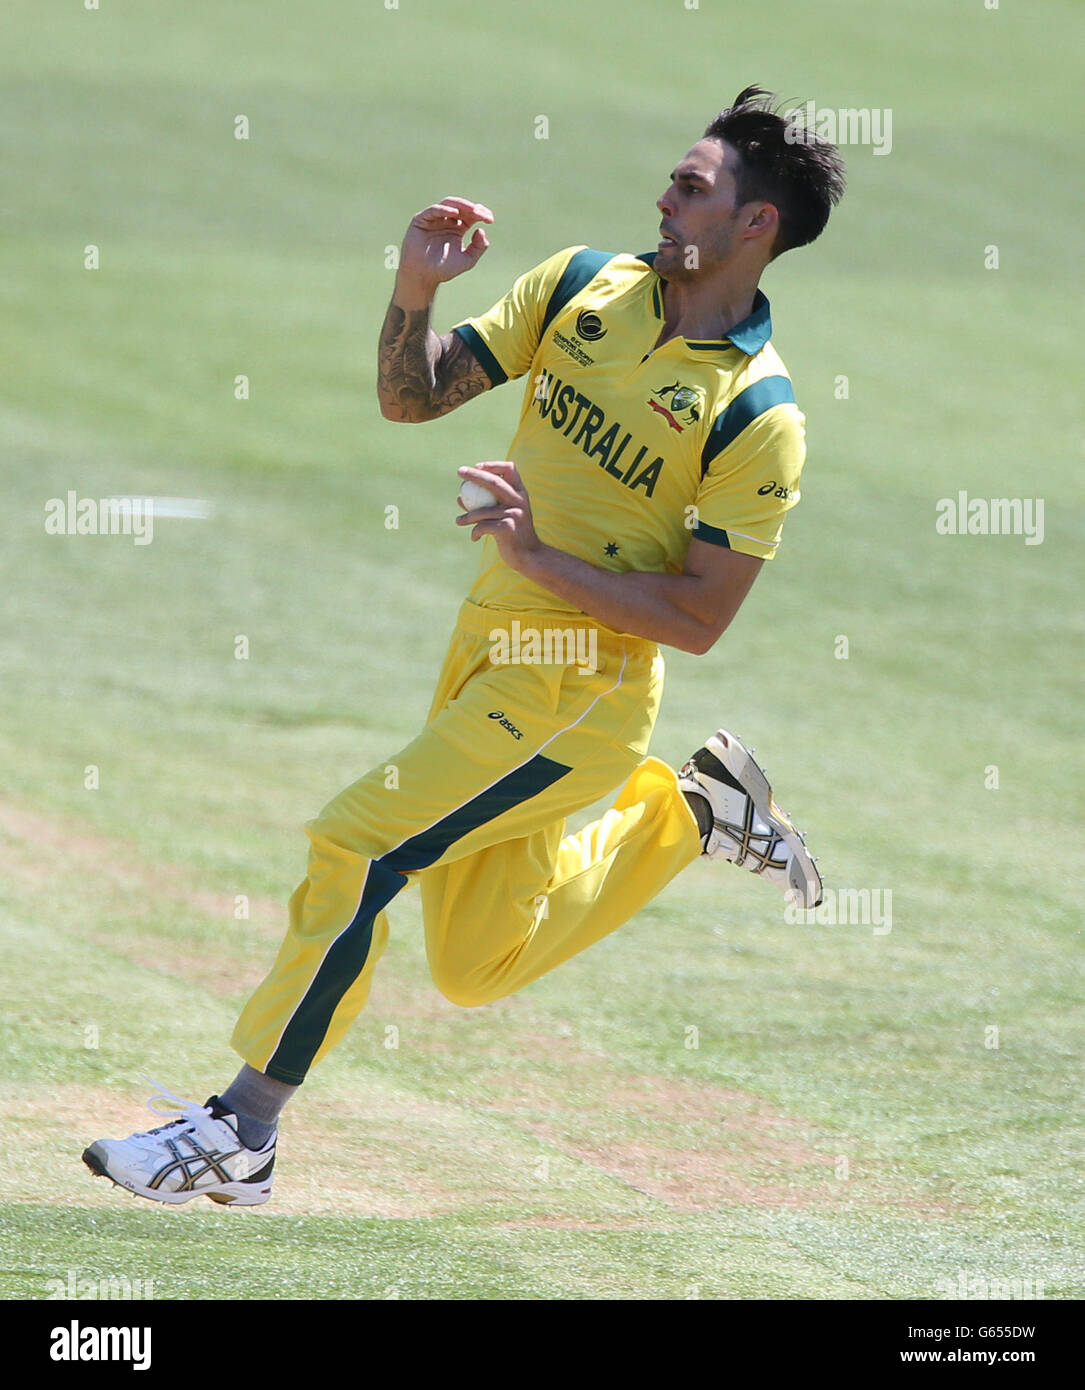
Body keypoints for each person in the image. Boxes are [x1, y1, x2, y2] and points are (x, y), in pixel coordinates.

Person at [83, 87, 845, 1207]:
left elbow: (698, 618)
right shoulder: (588, 283)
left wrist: (539, 559)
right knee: (475, 964)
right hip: (488, 641)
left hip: (582, 690)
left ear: (753, 226)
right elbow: (417, 395)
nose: (661, 195)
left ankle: (242, 1127)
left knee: (359, 844)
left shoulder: (754, 413)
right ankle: (689, 814)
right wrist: (414, 289)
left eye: (691, 186)